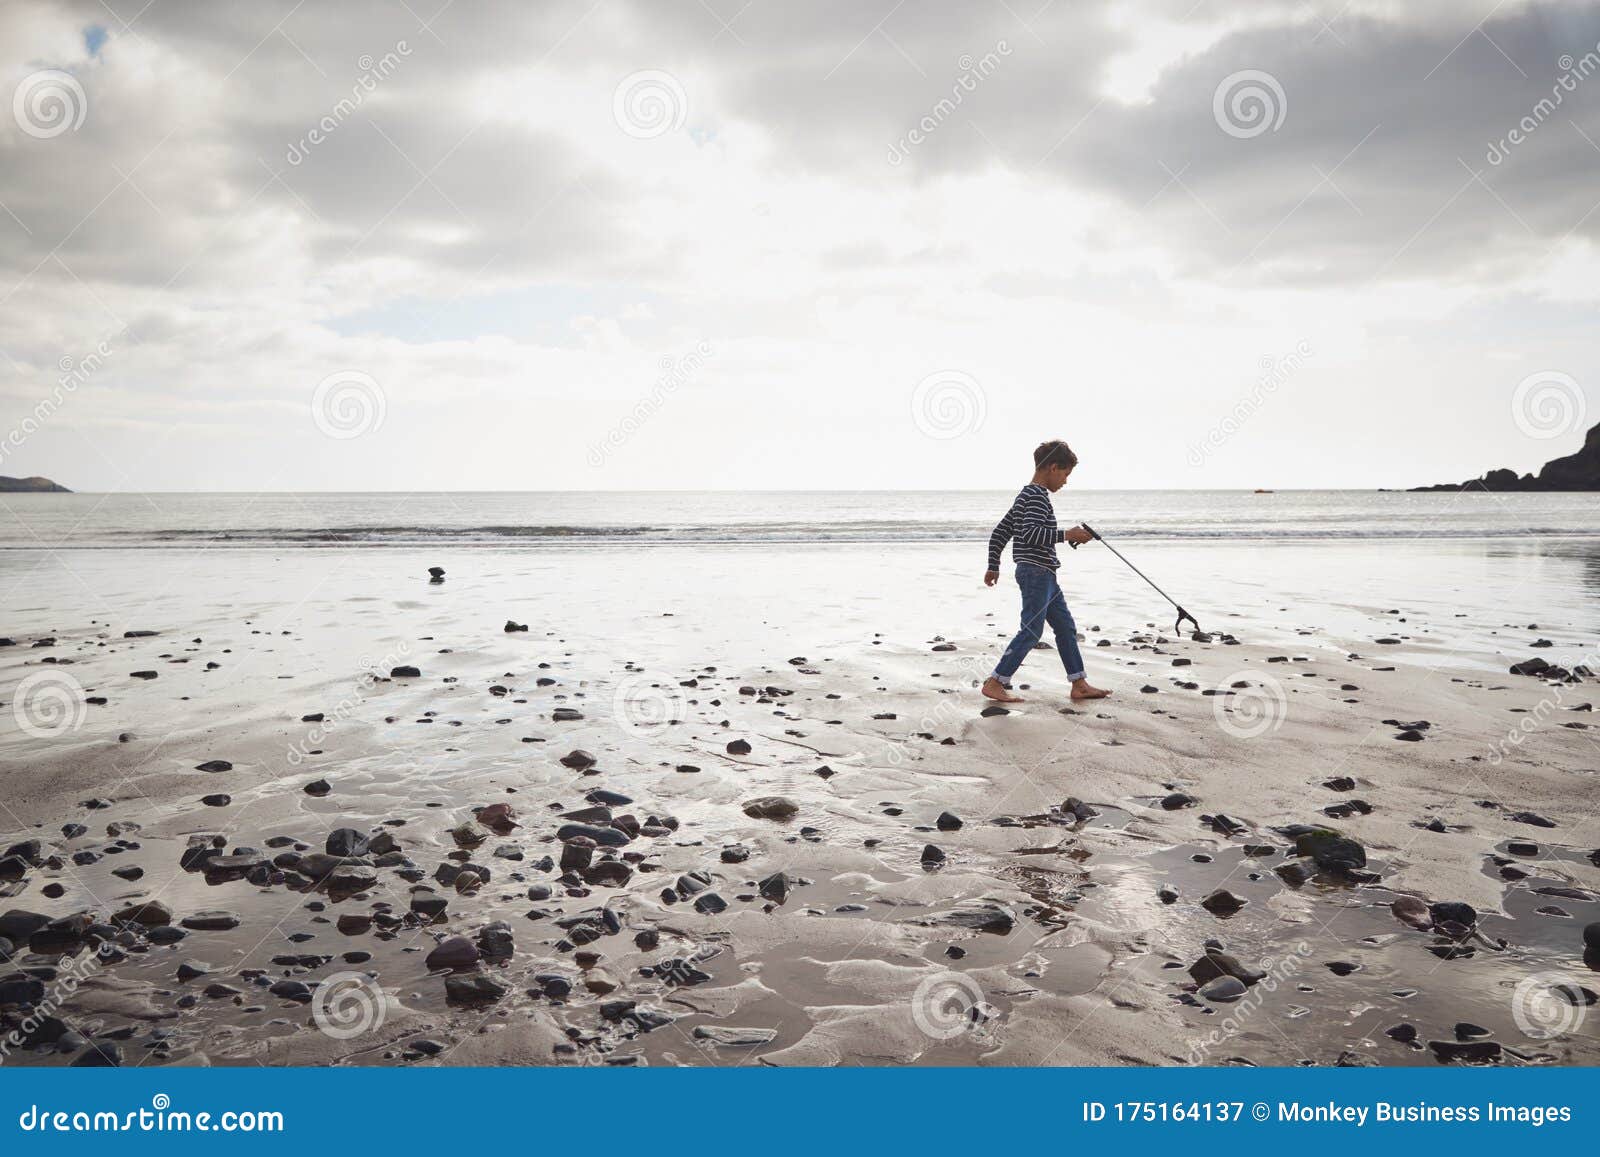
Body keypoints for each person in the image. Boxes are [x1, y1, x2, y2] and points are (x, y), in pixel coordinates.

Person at [982, 440, 1111, 703]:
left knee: (1065, 627)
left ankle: (1079, 683)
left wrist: (993, 565)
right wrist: (1067, 534)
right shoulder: (1037, 496)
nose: (1065, 481)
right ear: (1053, 467)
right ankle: (996, 682)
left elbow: (1001, 533)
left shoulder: (1025, 495)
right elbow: (1030, 533)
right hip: (1036, 574)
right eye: (1065, 474)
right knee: (1031, 631)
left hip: (1045, 575)